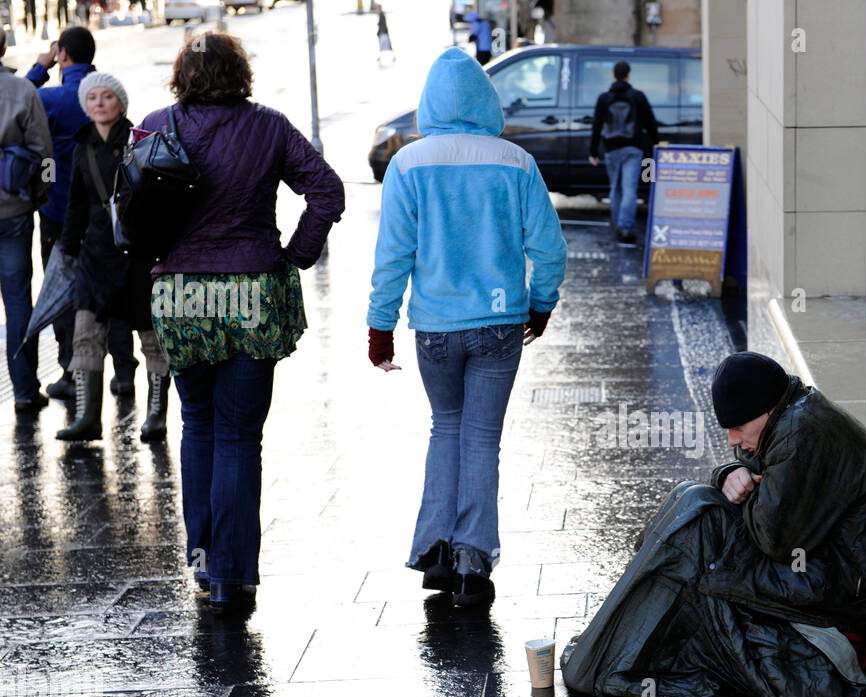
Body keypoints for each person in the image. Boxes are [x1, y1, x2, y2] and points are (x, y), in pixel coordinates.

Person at [561, 352, 866, 697]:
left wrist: (738, 483)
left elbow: (773, 538)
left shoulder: (801, 433)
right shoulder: (789, 414)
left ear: (767, 411)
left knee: (696, 522)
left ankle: (604, 656)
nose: (733, 440)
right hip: (818, 567)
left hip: (837, 590)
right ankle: (610, 646)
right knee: (689, 501)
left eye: (738, 427)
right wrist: (727, 473)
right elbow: (756, 483)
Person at [140, 33, 344, 612]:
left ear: (183, 73)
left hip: (182, 295)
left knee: (198, 425)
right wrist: (296, 256)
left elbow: (127, 205)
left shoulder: (158, 123)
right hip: (252, 289)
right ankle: (233, 575)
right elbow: (326, 192)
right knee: (238, 435)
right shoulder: (271, 126)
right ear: (240, 72)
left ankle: (202, 561)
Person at [367, 47, 565, 607]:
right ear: (486, 99)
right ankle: (474, 562)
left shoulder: (408, 163)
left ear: (429, 101)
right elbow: (549, 249)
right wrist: (540, 304)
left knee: (445, 428)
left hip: (435, 327)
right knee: (482, 439)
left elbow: (392, 256)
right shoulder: (516, 162)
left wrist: (380, 327)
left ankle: (434, 551)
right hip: (501, 323)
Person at [54, 72, 170, 443]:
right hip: (96, 257)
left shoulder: (138, 143)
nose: (100, 103)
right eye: (93, 98)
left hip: (137, 257)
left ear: (121, 105)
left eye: (107, 97)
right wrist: (67, 251)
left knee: (152, 338)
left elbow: (154, 202)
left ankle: (156, 416)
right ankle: (88, 418)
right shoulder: (81, 146)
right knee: (85, 335)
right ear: (86, 107)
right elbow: (76, 205)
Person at [27, 27, 140, 401]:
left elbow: (14, 101)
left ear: (62, 55)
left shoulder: (52, 97)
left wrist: (38, 68)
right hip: (113, 215)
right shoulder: (107, 95)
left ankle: (70, 370)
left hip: (60, 210)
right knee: (118, 291)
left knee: (66, 290)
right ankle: (124, 373)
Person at [0, 28, 53, 416]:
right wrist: (41, 197)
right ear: (3, 48)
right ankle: (23, 390)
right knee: (18, 300)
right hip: (14, 209)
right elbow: (44, 155)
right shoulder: (22, 92)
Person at [588, 60, 658, 248]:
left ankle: (619, 225)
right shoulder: (638, 97)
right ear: (628, 75)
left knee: (615, 188)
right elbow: (650, 123)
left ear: (613, 75)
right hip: (633, 149)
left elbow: (596, 126)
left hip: (611, 149)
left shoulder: (604, 98)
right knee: (629, 189)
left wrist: (593, 152)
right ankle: (626, 228)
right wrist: (657, 145)